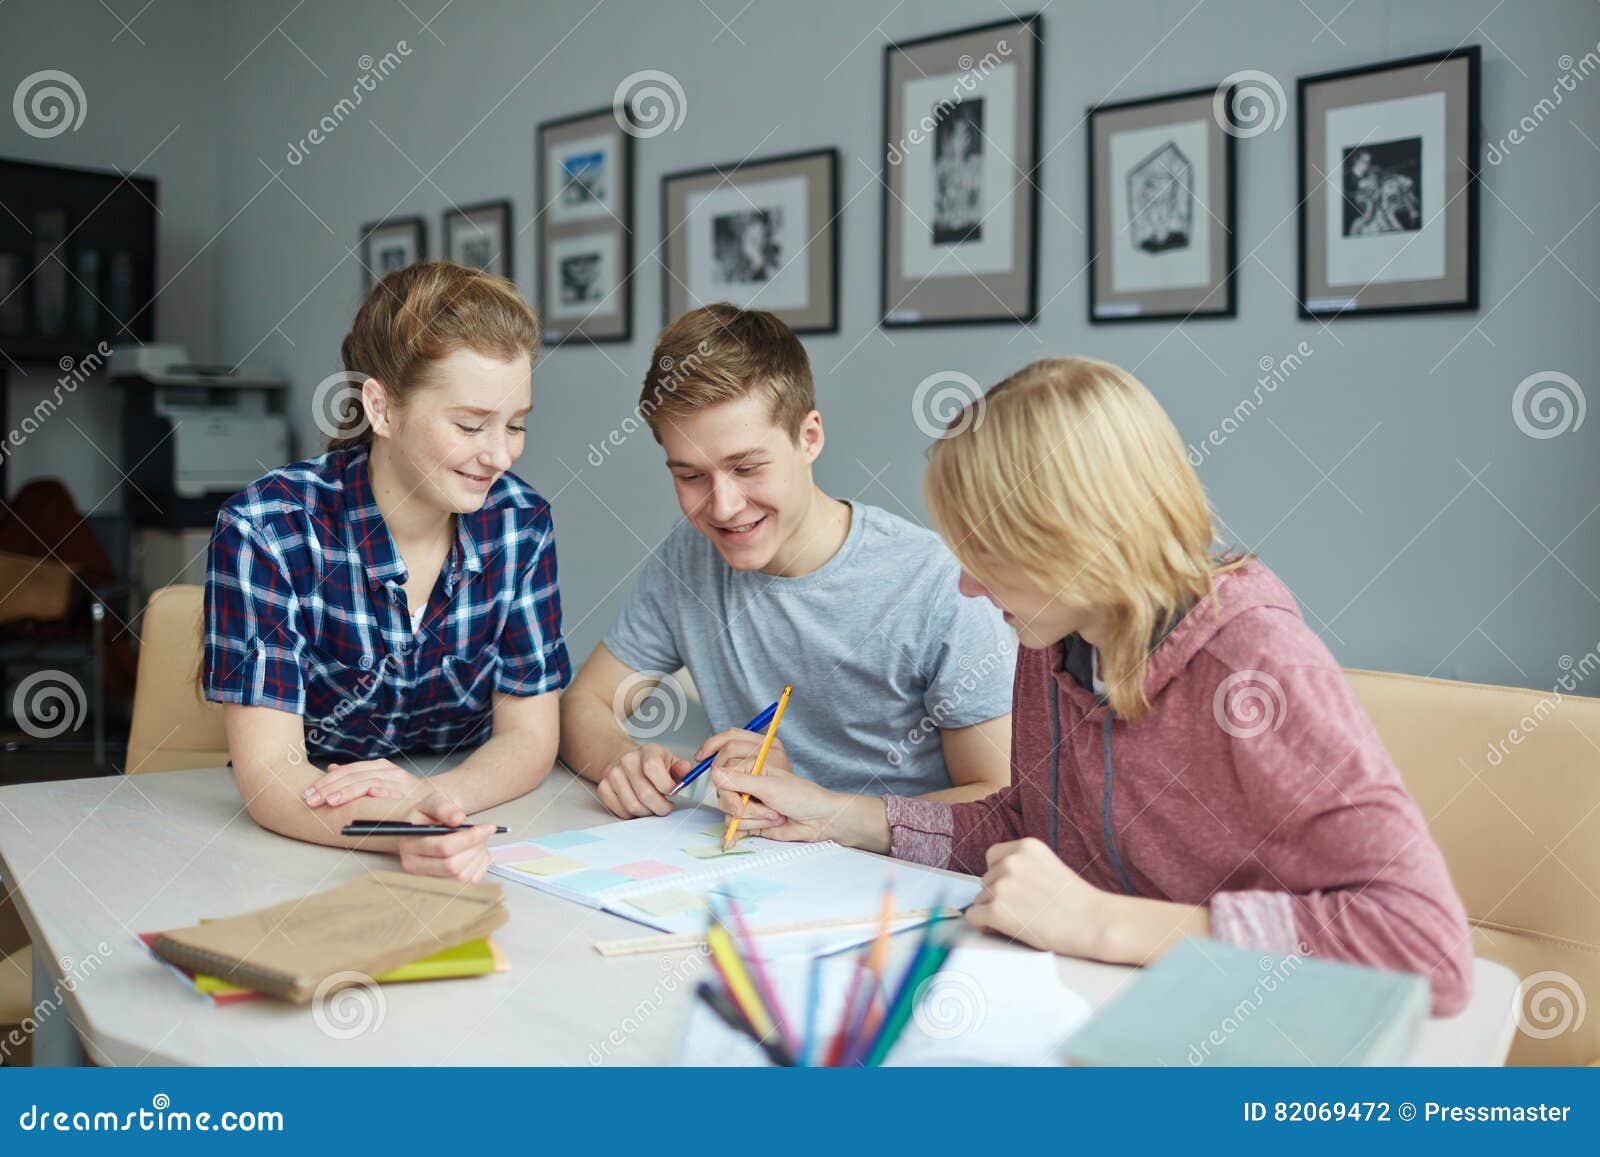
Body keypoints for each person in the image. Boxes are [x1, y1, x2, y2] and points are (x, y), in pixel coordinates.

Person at [709, 356, 1474, 1014]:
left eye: (987, 554)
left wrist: (1106, 922)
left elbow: (1423, 943)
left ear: (1075, 539)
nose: (969, 587)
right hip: (1100, 1005)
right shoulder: (1056, 634)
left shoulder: (1256, 666)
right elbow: (1034, 827)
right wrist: (840, 813)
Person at [559, 304, 1014, 821]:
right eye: (690, 476)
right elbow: (586, 702)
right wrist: (623, 762)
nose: (723, 506)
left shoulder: (938, 583)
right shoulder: (690, 555)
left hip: (898, 881)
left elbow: (996, 797)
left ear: (809, 438)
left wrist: (823, 816)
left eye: (747, 467)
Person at [202, 261, 570, 882]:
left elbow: (530, 739)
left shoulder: (521, 523)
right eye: (470, 424)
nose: (500, 455)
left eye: (517, 425)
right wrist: (403, 826)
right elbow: (270, 774)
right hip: (302, 845)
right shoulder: (267, 528)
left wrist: (437, 805)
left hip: (468, 826)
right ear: (381, 407)